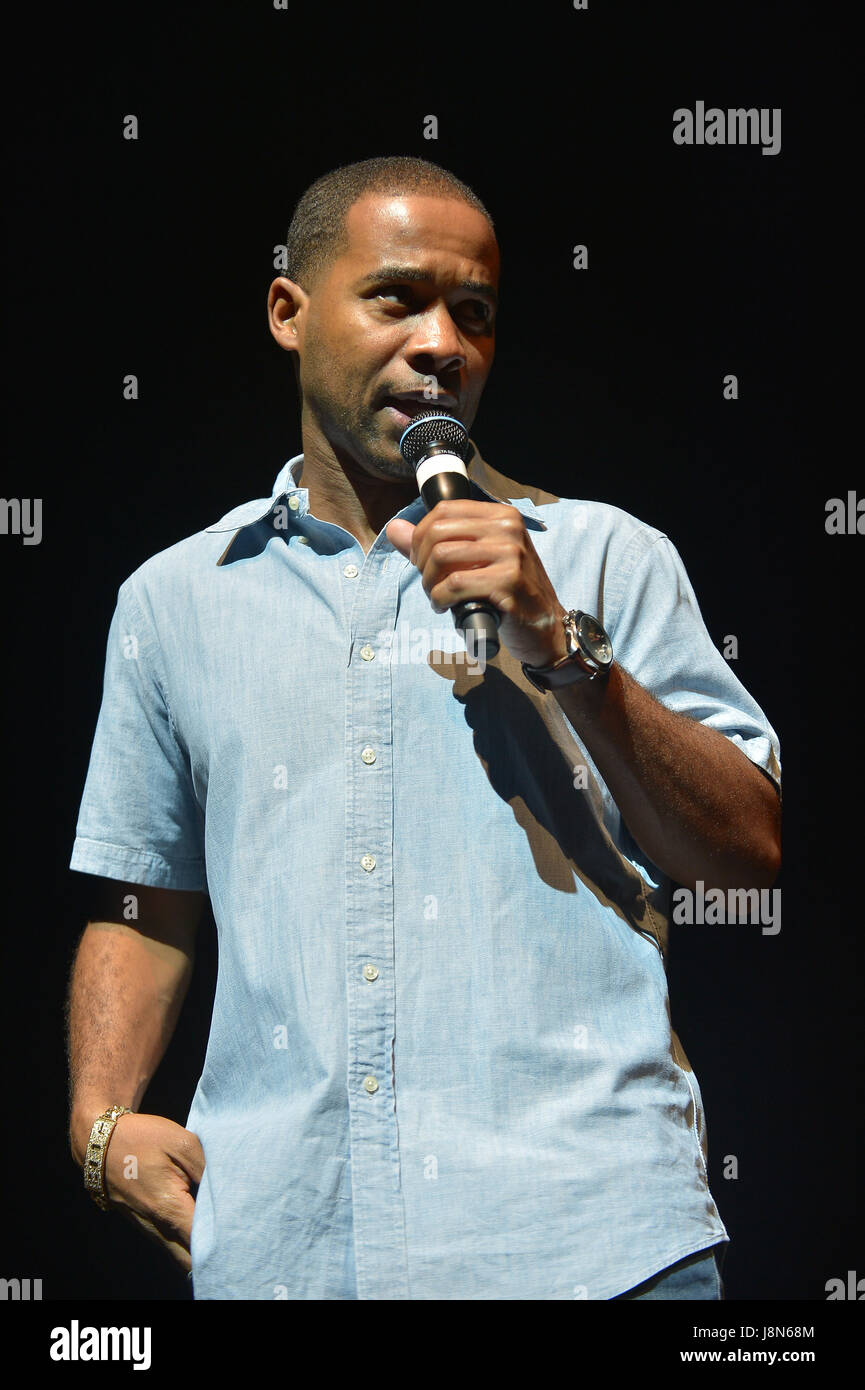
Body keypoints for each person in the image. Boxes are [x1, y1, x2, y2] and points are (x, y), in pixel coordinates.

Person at [66, 155, 781, 1301]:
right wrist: (102, 1124)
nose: (443, 341)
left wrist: (562, 644)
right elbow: (143, 895)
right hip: (287, 1249)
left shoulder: (606, 558)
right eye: (398, 297)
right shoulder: (173, 599)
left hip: (590, 1244)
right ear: (288, 311)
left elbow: (747, 853)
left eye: (476, 312)